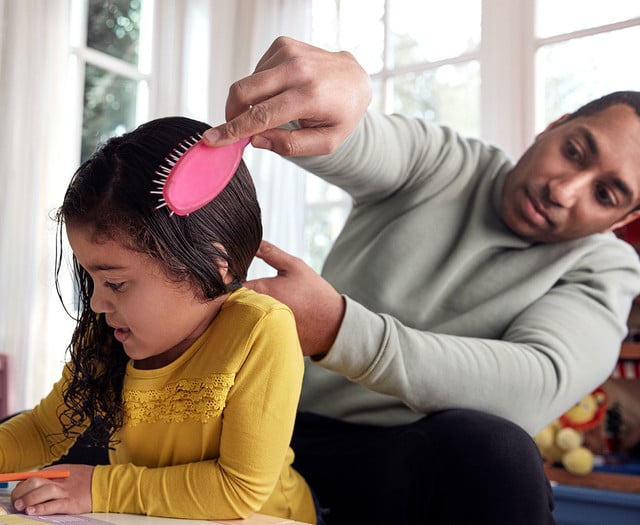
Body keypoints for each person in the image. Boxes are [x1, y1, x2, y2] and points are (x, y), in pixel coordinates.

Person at [202, 36, 640, 524]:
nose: (563, 190)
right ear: (551, 128)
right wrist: (329, 99)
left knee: (498, 452)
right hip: (274, 424)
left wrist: (338, 330)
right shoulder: (443, 162)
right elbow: (354, 139)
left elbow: (532, 388)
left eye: (604, 194)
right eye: (575, 151)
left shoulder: (604, 269)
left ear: (620, 220)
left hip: (405, 467)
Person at [0, 116, 317, 524]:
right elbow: (45, 431)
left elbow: (238, 490)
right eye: (91, 280)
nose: (96, 303)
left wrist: (97, 488)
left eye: (115, 282)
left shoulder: (260, 330)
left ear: (213, 263)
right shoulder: (107, 336)